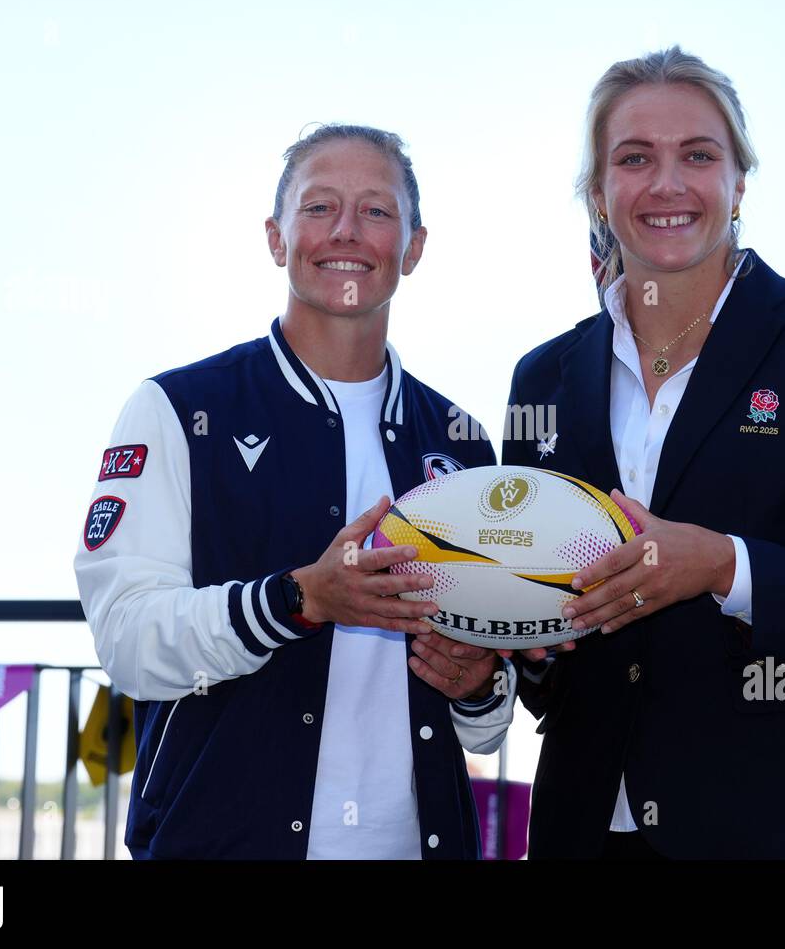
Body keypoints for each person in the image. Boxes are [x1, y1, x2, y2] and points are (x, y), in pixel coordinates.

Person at [504, 47, 785, 859]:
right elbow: (551, 657)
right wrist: (515, 644)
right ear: (599, 192)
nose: (667, 184)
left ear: (739, 182)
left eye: (699, 156)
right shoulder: (544, 375)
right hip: (588, 830)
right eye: (635, 158)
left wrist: (725, 567)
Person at [74, 124, 516, 859]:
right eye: (319, 208)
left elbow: (487, 723)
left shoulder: (461, 442)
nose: (346, 230)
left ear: (413, 246)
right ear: (277, 237)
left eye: (376, 210)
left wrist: (476, 682)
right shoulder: (177, 410)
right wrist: (297, 601)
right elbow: (126, 639)